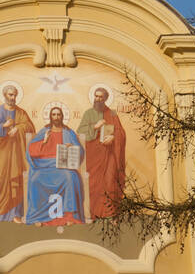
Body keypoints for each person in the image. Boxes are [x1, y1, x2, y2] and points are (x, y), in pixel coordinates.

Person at [25, 105, 86, 230]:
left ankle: (69, 215)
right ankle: (39, 216)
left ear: (62, 116)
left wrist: (71, 148)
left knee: (70, 177)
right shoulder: (44, 131)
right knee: (35, 179)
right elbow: (31, 151)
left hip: (63, 167)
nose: (56, 117)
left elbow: (80, 151)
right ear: (50, 116)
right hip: (45, 166)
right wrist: (44, 141)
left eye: (58, 114)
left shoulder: (68, 132)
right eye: (54, 114)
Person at [0, 85, 35, 222]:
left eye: (14, 95)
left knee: (16, 181)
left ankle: (15, 214)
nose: (13, 98)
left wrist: (18, 128)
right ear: (4, 95)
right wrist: (4, 127)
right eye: (10, 95)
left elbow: (30, 127)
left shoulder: (21, 112)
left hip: (16, 153)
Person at [78, 87, 127, 219]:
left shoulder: (112, 114)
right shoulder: (88, 113)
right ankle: (93, 214)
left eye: (101, 97)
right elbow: (80, 132)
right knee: (92, 184)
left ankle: (110, 214)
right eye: (96, 96)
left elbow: (121, 133)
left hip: (109, 154)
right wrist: (95, 126)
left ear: (105, 98)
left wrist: (114, 137)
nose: (98, 99)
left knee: (110, 182)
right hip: (93, 155)